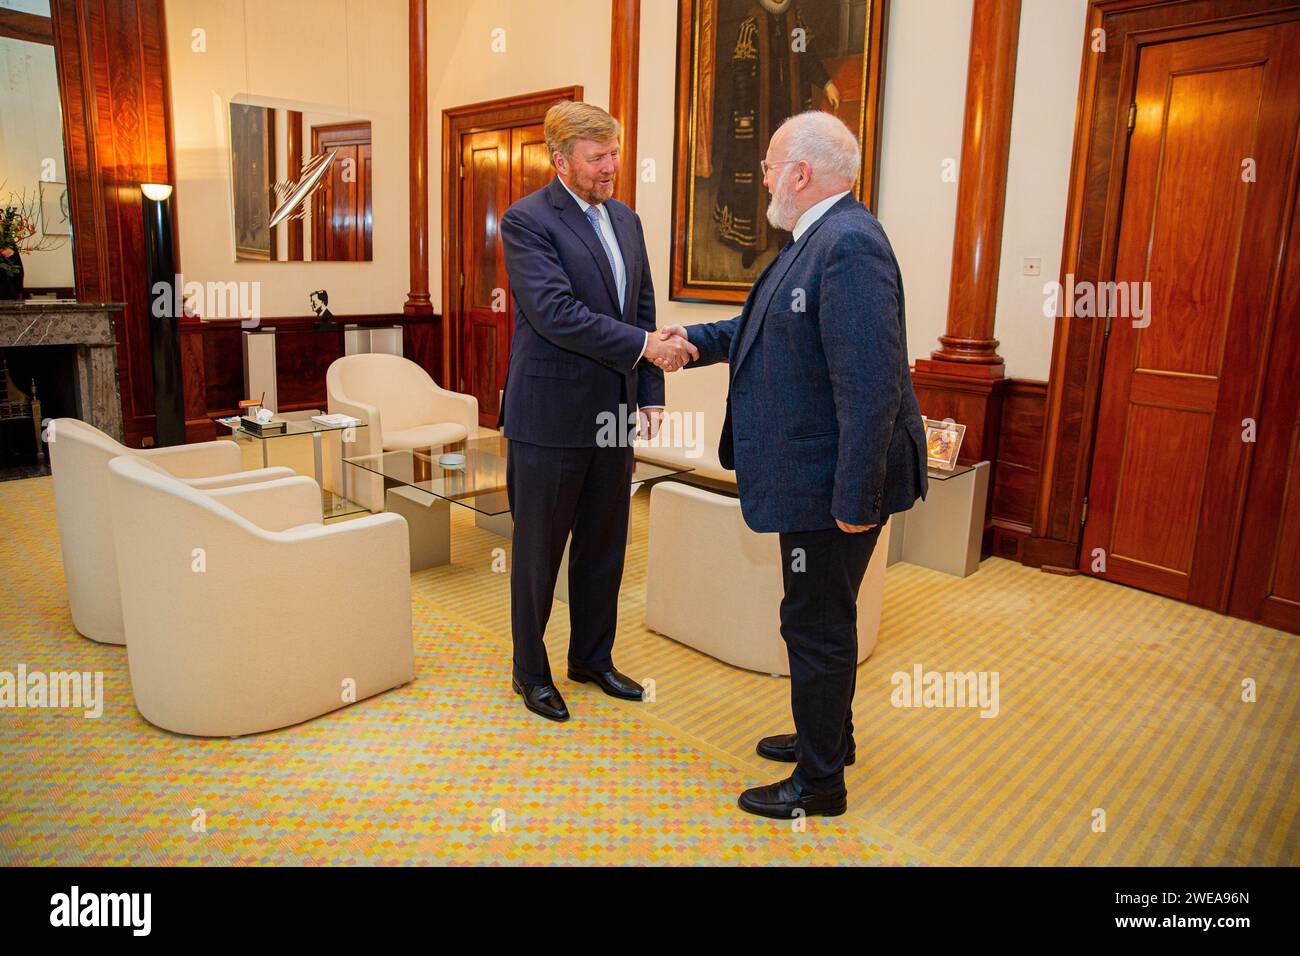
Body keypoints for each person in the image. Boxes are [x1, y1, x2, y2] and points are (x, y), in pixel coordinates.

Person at [661, 110, 927, 818]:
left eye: (773, 166)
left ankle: (819, 783)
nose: (766, 180)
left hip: (829, 484)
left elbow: (871, 388)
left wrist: (853, 502)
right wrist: (690, 337)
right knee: (819, 616)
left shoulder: (848, 247)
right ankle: (829, 741)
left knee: (815, 623)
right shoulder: (818, 238)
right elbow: (762, 329)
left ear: (802, 174)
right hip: (813, 475)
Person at [498, 101, 696, 722]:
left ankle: (591, 657)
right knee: (539, 552)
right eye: (598, 157)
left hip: (613, 413)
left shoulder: (627, 220)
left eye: (615, 153)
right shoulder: (526, 221)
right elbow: (557, 314)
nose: (612, 166)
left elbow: (641, 306)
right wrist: (646, 348)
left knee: (604, 547)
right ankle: (529, 670)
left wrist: (653, 391)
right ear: (561, 160)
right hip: (549, 416)